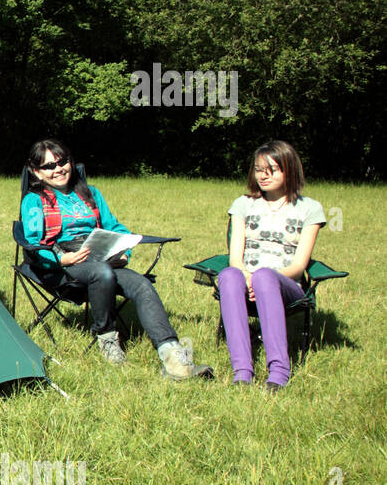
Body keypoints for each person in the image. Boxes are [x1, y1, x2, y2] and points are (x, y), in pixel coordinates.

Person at [20, 138, 210, 379]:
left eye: (62, 162)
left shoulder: (90, 193)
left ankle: (172, 357)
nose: (58, 169)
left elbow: (114, 227)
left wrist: (123, 252)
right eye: (48, 166)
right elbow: (33, 243)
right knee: (102, 273)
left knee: (141, 285)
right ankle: (107, 338)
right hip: (64, 264)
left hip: (100, 255)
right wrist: (62, 259)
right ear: (36, 171)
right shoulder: (34, 200)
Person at [219, 141, 325, 391]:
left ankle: (278, 371)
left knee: (265, 276)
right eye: (258, 169)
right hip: (246, 280)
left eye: (272, 169)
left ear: (289, 170)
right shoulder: (243, 205)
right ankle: (242, 371)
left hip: (287, 284)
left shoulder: (310, 209)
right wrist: (246, 276)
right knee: (228, 275)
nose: (263, 175)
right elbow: (235, 256)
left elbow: (299, 265)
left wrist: (260, 278)